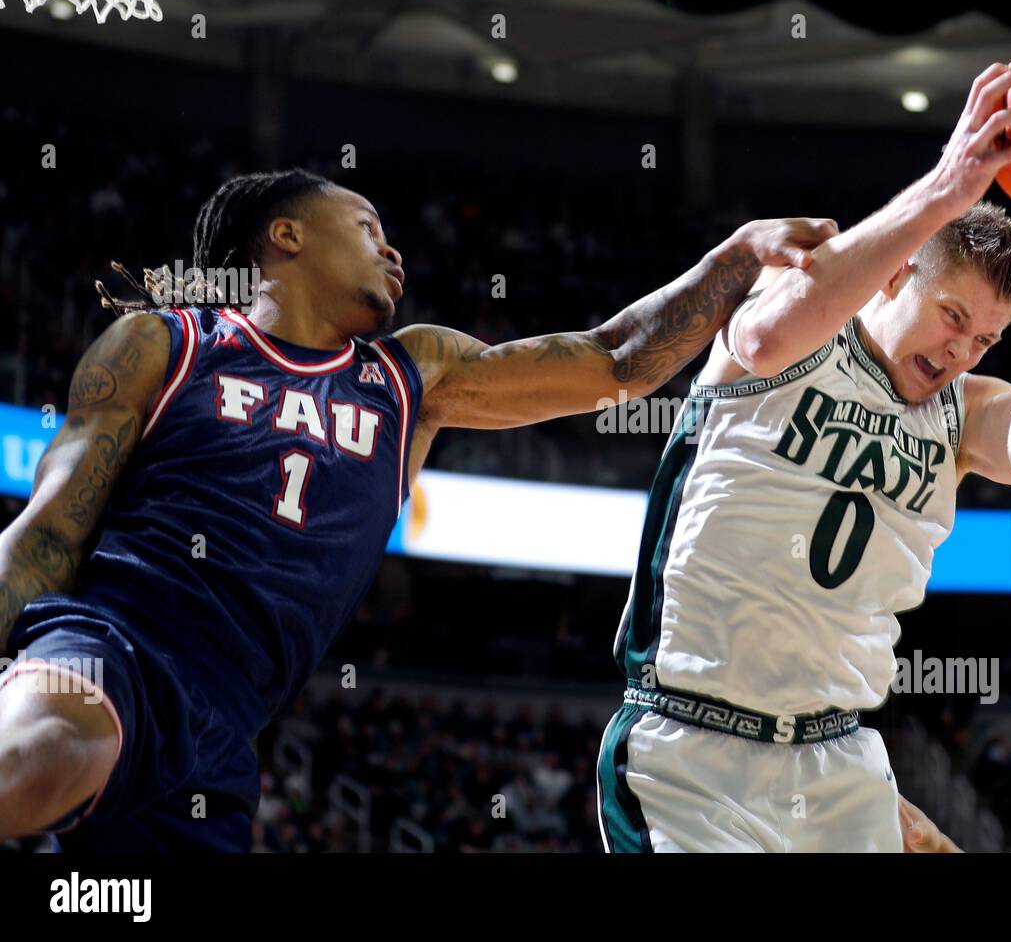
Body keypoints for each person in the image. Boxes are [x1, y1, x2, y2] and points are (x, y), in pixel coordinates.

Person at [0, 167, 836, 850]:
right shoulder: (168, 343)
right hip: (115, 642)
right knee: (44, 755)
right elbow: (45, 535)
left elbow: (616, 361)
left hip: (222, 736)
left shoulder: (413, 375)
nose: (392, 247)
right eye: (366, 226)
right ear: (285, 235)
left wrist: (733, 262)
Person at [596, 63, 1011, 852]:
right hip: (689, 745)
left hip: (838, 760)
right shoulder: (789, 319)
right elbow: (769, 335)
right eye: (952, 317)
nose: (961, 350)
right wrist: (951, 183)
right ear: (901, 270)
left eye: (985, 338)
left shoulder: (962, 410)